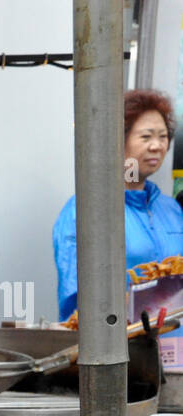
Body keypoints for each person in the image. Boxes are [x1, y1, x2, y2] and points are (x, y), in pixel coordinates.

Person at [53, 89, 183, 321]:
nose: (156, 146)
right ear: (116, 142)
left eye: (162, 137)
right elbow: (76, 298)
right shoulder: (85, 210)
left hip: (175, 349)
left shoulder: (172, 209)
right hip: (121, 349)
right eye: (146, 137)